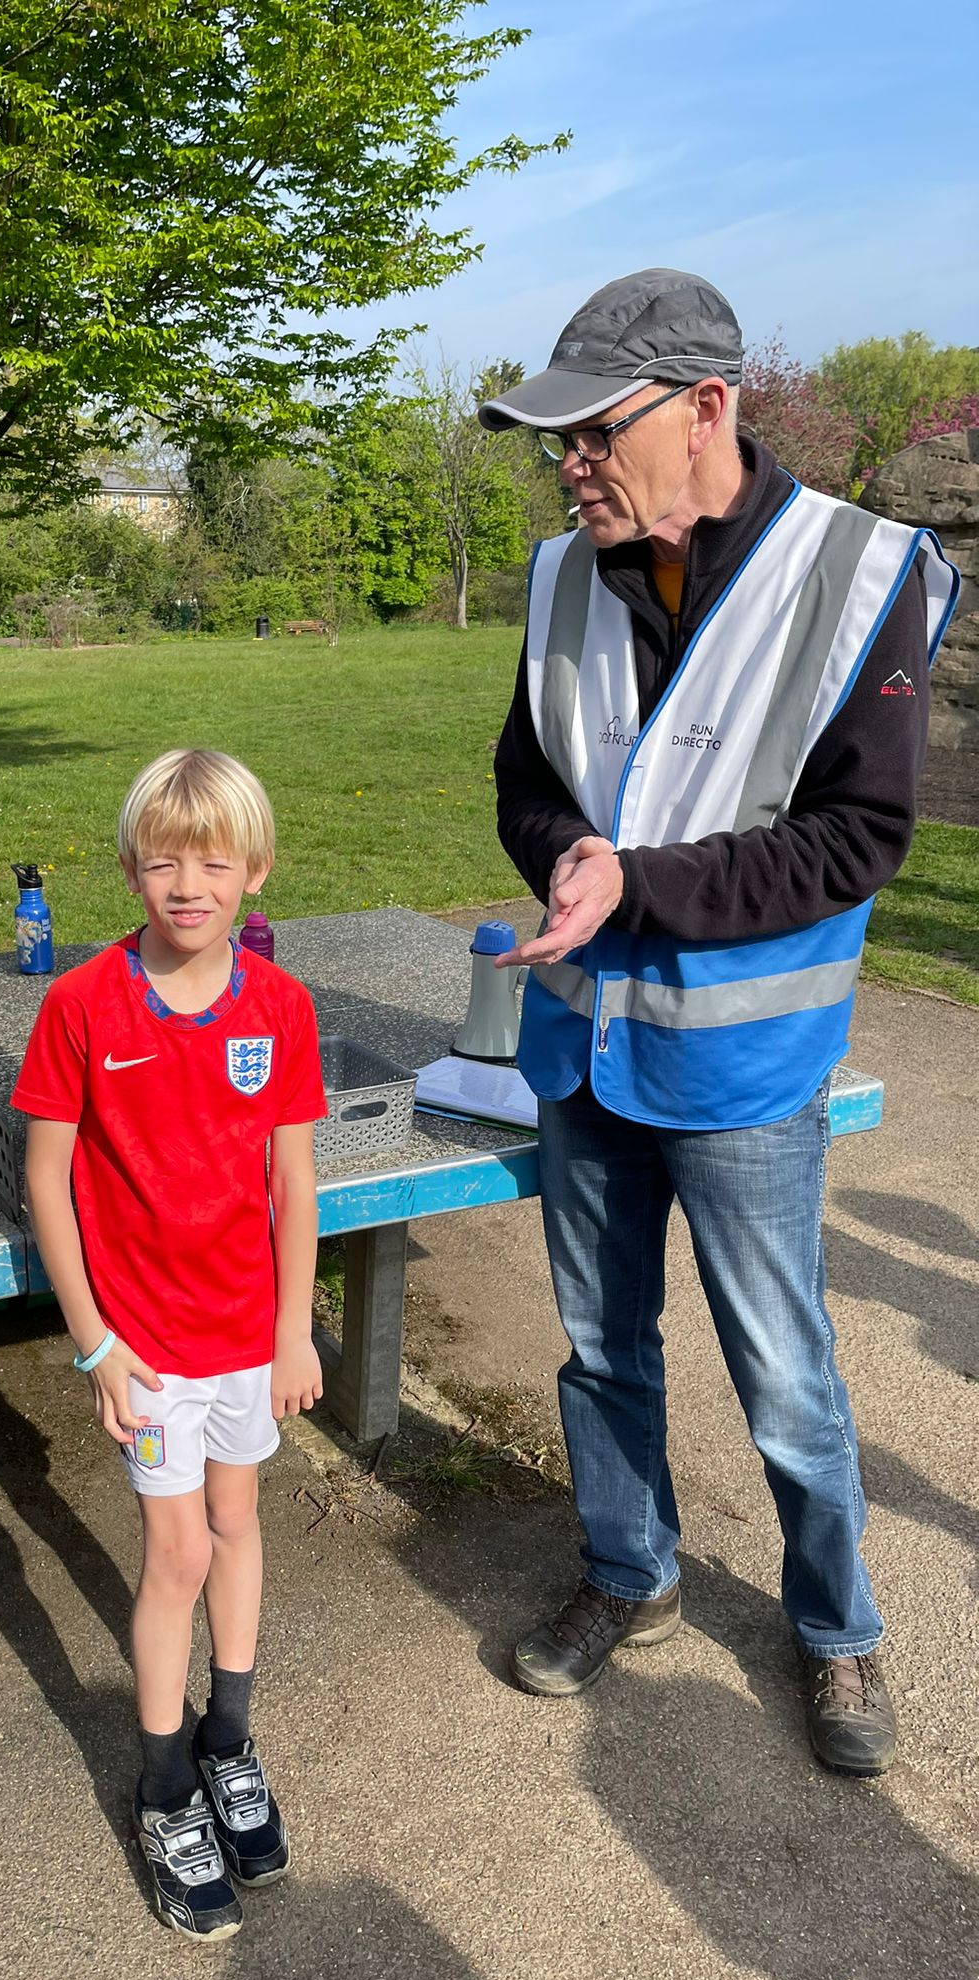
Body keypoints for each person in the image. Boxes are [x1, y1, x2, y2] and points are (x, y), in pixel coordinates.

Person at [481, 269, 959, 1775]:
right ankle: (630, 1575)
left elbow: (858, 838)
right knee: (599, 1347)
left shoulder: (861, 572)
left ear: (707, 408)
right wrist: (564, 851)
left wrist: (639, 880)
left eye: (591, 434)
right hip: (583, 1047)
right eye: (550, 441)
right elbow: (526, 775)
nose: (568, 467)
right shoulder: (567, 573)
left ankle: (837, 1631)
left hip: (745, 1065)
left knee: (786, 1369)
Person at [12, 749, 327, 1940]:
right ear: (132, 868)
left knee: (240, 1527)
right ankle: (160, 1784)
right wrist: (94, 1345)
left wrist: (297, 1327)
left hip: (251, 1336)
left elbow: (295, 1184)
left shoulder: (280, 1006)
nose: (187, 884)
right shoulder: (82, 1003)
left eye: (213, 861)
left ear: (255, 872)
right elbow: (49, 1179)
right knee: (179, 1556)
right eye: (162, 859)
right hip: (146, 1352)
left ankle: (228, 1738)